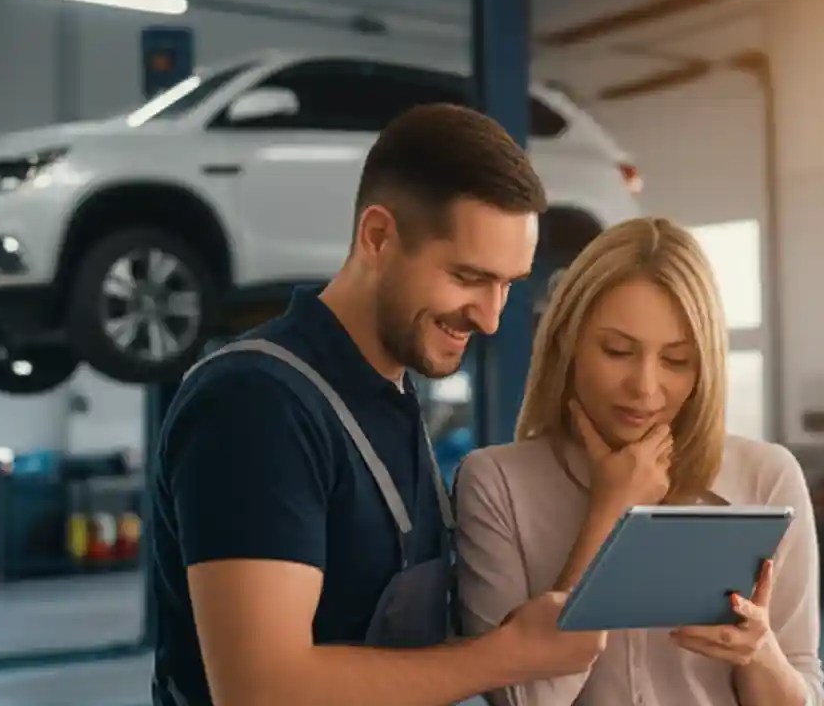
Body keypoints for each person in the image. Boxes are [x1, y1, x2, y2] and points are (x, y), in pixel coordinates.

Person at [150, 104, 605, 706]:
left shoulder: (388, 397)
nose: (491, 318)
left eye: (508, 285)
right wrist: (506, 656)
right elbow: (261, 689)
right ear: (378, 238)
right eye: (469, 277)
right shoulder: (257, 405)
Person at [455, 217, 824, 706]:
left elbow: (805, 690)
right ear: (567, 341)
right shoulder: (496, 483)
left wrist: (760, 654)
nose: (645, 388)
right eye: (617, 351)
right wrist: (609, 514)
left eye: (676, 360)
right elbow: (522, 701)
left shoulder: (767, 479)